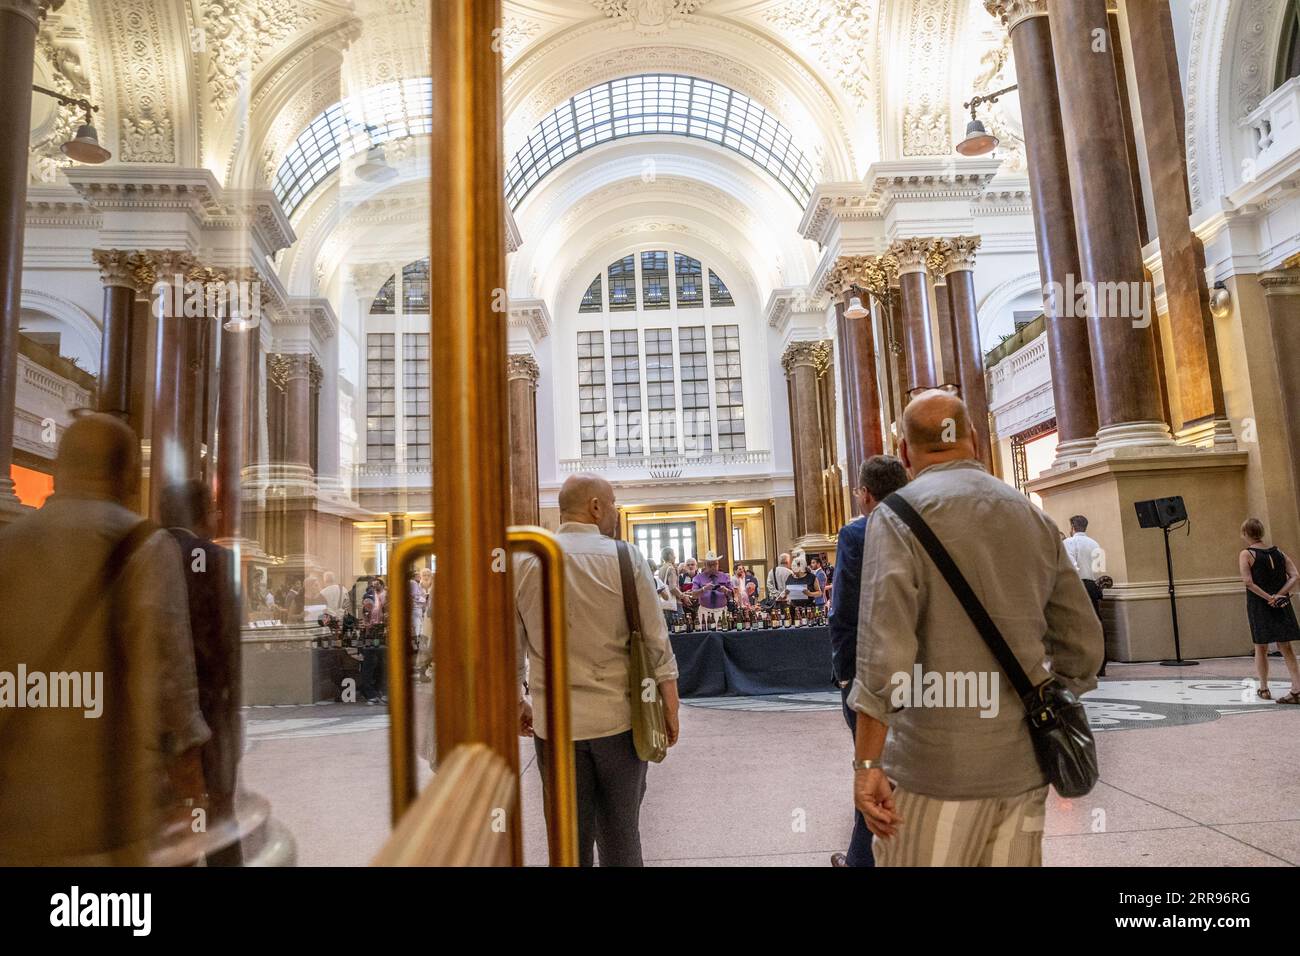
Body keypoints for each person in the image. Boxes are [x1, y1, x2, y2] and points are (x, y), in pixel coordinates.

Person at [849, 391, 1103, 867]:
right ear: (975, 437)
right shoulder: (1031, 514)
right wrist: (1049, 699)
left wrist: (867, 765)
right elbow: (1083, 646)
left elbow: (884, 657)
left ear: (904, 452)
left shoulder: (895, 517)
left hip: (934, 768)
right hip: (1024, 766)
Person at [0, 414, 209, 865]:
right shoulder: (146, 547)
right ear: (130, 476)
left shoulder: (8, 544)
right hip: (107, 813)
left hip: (15, 814)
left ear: (59, 469)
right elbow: (169, 682)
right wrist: (192, 786)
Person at [514, 473, 680, 866]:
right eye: (615, 502)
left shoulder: (527, 563)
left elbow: (509, 647)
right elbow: (657, 642)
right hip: (619, 725)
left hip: (554, 726)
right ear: (595, 506)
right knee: (622, 839)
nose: (617, 511)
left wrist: (515, 701)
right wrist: (670, 707)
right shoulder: (627, 558)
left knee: (568, 845)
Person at [828, 454, 909, 869]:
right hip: (926, 673)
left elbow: (843, 611)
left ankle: (863, 860)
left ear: (864, 494)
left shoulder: (857, 534)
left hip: (871, 672)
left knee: (870, 765)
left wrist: (844, 675)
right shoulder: (924, 526)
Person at [160, 479, 244, 866]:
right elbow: (228, 649)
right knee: (219, 817)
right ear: (202, 512)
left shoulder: (141, 557)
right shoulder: (218, 561)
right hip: (210, 713)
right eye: (212, 507)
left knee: (170, 825)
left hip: (155, 721)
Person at [1239, 517, 1300, 702]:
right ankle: (1297, 688)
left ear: (1244, 534)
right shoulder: (1278, 552)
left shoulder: (1246, 554)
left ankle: (1264, 688)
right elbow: (1295, 575)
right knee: (1286, 646)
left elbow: (1248, 582)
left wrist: (1268, 598)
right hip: (1281, 603)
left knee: (1260, 647)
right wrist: (1279, 595)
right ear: (1262, 532)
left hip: (1259, 605)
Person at [1064, 514, 1107, 677]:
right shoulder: (1095, 543)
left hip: (1077, 586)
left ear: (1072, 527)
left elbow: (1071, 566)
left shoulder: (1069, 542)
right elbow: (1100, 568)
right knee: (1096, 624)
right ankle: (1100, 665)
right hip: (1093, 586)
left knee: (1076, 626)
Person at [692, 551, 733, 626]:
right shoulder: (698, 578)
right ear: (705, 565)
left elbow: (733, 594)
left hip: (721, 611)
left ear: (718, 564)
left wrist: (726, 590)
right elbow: (694, 595)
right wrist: (704, 589)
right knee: (705, 633)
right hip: (704, 611)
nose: (713, 567)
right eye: (710, 565)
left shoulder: (725, 576)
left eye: (715, 564)